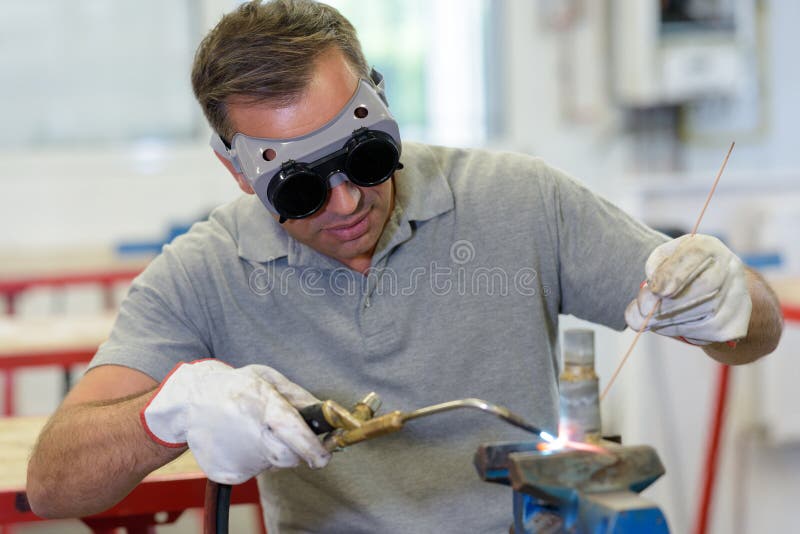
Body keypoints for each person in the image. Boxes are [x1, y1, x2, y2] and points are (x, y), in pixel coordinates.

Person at [26, 1, 783, 532]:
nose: (350, 199)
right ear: (238, 174)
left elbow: (755, 335)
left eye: (367, 156)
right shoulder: (205, 271)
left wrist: (728, 299)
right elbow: (54, 482)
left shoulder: (515, 200)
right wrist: (168, 415)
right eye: (300, 188)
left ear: (379, 102)